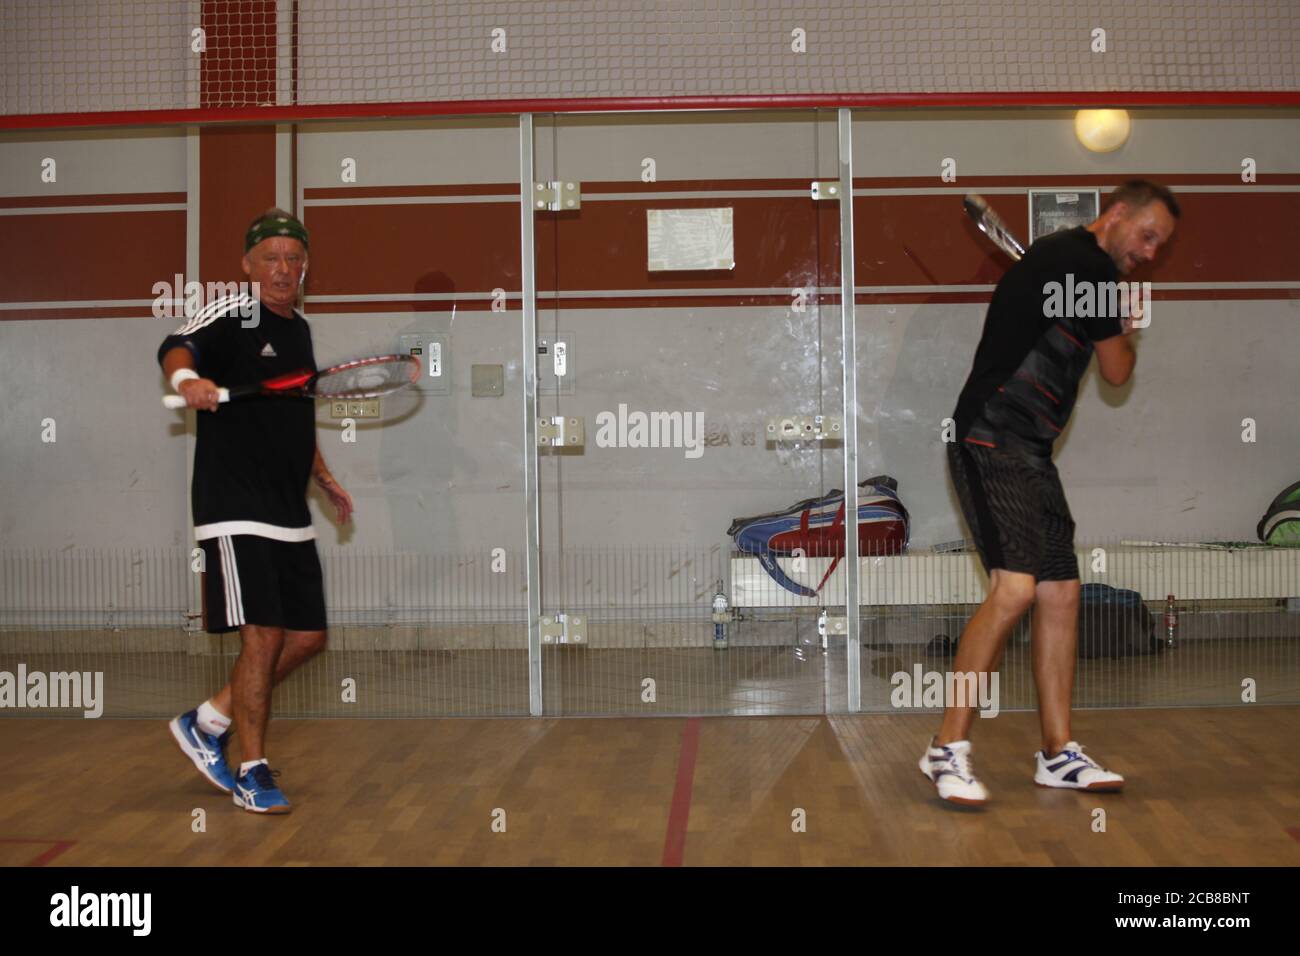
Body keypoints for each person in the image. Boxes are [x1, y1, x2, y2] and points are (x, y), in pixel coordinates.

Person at [921, 181, 1180, 805]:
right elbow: (1117, 373)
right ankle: (945, 750)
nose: (1148, 252)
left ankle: (1059, 754)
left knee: (1062, 591)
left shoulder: (1066, 264)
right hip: (987, 440)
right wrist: (1127, 329)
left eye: (1159, 246)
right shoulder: (1088, 267)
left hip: (1032, 452)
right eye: (1146, 236)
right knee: (1015, 588)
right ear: (1115, 214)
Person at [159, 209, 352, 814]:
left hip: (286, 509)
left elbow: (294, 410)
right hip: (233, 505)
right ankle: (253, 769)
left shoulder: (300, 330)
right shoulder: (233, 315)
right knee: (263, 634)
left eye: (293, 259)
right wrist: (188, 377)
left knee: (308, 637)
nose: (283, 269)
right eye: (270, 257)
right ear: (248, 265)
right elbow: (176, 344)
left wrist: (321, 476)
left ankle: (208, 721)